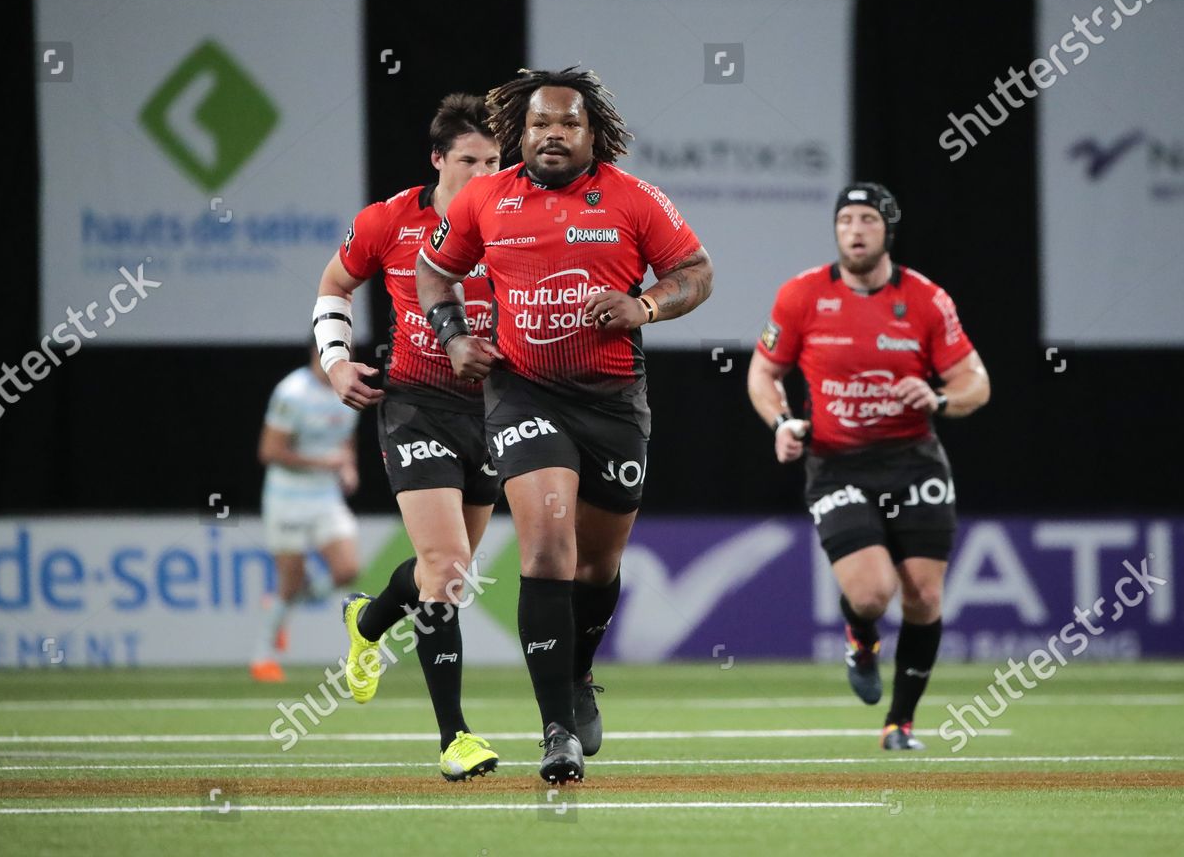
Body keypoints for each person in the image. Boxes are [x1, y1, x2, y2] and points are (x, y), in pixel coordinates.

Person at [416, 67, 713, 783]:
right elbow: (434, 272)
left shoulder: (634, 199)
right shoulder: (487, 197)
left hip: (613, 401)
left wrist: (643, 307)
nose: (553, 134)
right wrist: (455, 337)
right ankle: (556, 732)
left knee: (598, 567)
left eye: (568, 123)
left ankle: (579, 674)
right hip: (524, 395)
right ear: (520, 131)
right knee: (548, 548)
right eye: (540, 123)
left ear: (591, 132)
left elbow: (696, 272)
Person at [747, 182, 990, 750]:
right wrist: (782, 422)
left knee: (925, 597)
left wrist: (936, 399)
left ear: (888, 230)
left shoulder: (927, 299)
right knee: (873, 594)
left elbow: (976, 382)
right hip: (836, 465)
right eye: (846, 220)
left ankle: (899, 724)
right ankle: (861, 638)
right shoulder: (801, 296)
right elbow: (762, 373)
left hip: (913, 461)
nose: (854, 230)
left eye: (867, 220)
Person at [312, 93, 503, 781]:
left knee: (436, 578)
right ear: (437, 159)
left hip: (494, 412)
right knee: (449, 571)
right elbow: (335, 284)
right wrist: (336, 362)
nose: (483, 173)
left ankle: (367, 623)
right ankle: (456, 739)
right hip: (414, 406)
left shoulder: (513, 220)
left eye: (493, 160)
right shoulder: (390, 220)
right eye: (468, 161)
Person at [253, 347, 361, 683]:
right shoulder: (292, 392)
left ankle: (291, 600)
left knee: (347, 570)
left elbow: (345, 438)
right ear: (318, 352)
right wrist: (321, 463)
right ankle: (264, 658)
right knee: (289, 581)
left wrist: (348, 466)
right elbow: (269, 451)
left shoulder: (348, 388)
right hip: (287, 497)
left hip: (325, 496)